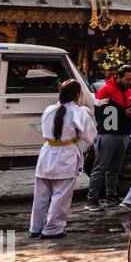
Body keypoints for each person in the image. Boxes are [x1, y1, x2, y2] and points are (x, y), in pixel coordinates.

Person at [31, 80, 96, 239]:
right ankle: (53, 229)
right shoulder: (78, 112)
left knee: (40, 195)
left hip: (47, 152)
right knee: (61, 196)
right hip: (66, 155)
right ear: (78, 95)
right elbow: (90, 137)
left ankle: (35, 227)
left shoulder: (49, 109)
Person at [88, 65, 131, 212]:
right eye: (128, 79)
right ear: (118, 77)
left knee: (115, 169)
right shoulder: (105, 90)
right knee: (100, 169)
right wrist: (123, 114)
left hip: (123, 135)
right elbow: (100, 112)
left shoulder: (128, 91)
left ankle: (111, 197)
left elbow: (129, 110)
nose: (130, 82)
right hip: (107, 134)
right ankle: (92, 200)